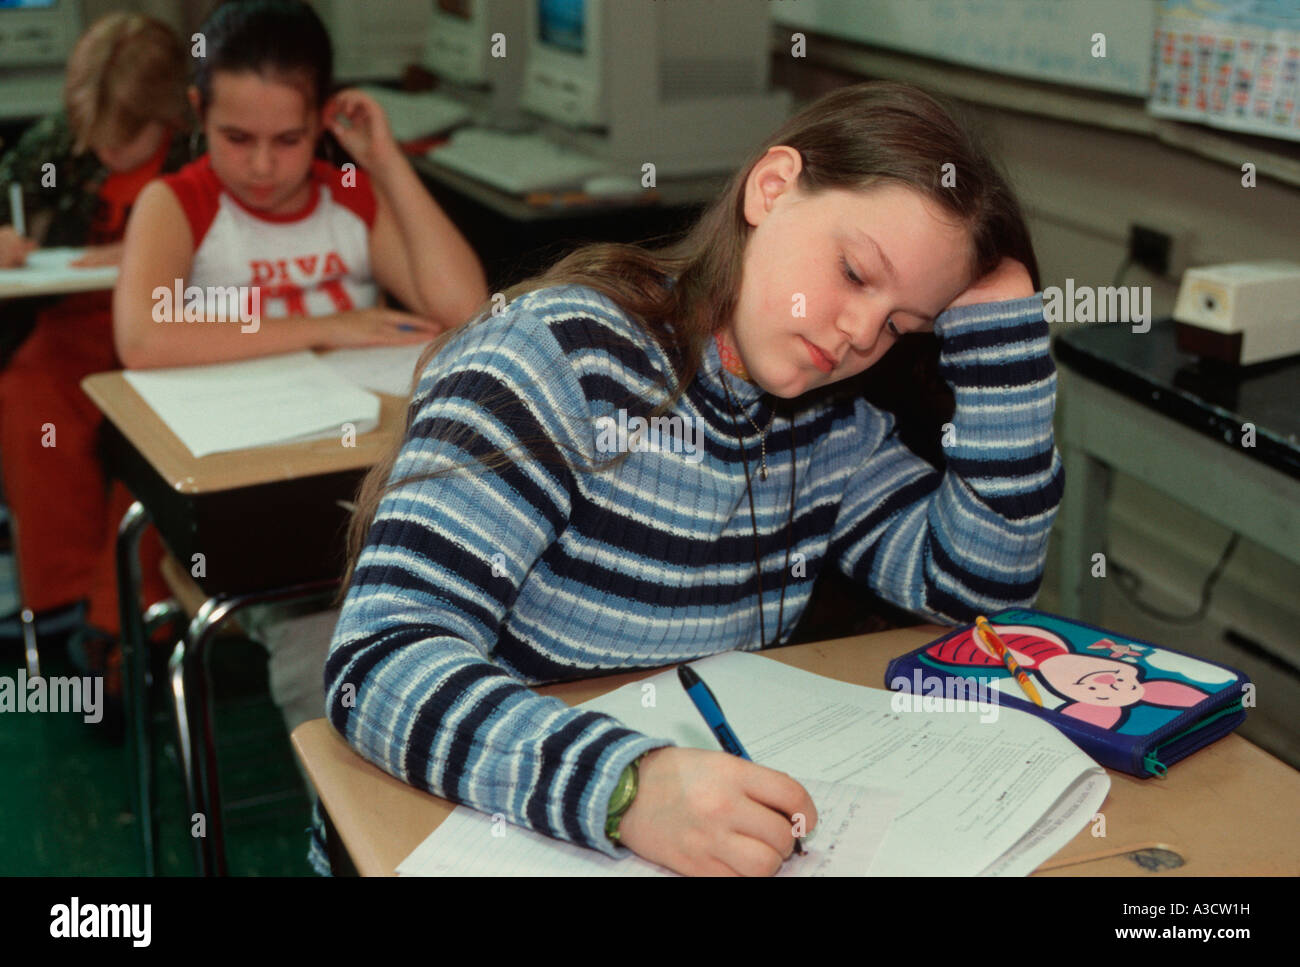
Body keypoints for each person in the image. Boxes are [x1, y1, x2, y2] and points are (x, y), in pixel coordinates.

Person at [320, 80, 1064, 877]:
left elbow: (976, 591)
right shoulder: (559, 357)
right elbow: (377, 660)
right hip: (469, 831)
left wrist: (1002, 335)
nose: (858, 332)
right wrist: (628, 787)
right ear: (771, 188)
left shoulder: (831, 426)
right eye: (854, 272)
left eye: (899, 325)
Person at [108, 0, 487, 741]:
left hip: (375, 486)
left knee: (461, 623)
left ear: (322, 121)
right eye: (236, 137)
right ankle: (346, 796)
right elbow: (145, 337)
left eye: (288, 139)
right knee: (324, 656)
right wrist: (326, 327)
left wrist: (383, 161)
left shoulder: (346, 192)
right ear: (197, 112)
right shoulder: (179, 202)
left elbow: (465, 306)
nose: (261, 165)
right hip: (261, 513)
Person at [0, 13, 193, 683]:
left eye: (124, 140)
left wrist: (149, 250)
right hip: (75, 323)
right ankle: (57, 603)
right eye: (95, 138)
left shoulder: (200, 147)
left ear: (168, 112)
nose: (105, 152)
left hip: (171, 321)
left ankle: (119, 622)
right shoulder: (56, 146)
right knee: (28, 400)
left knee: (154, 431)